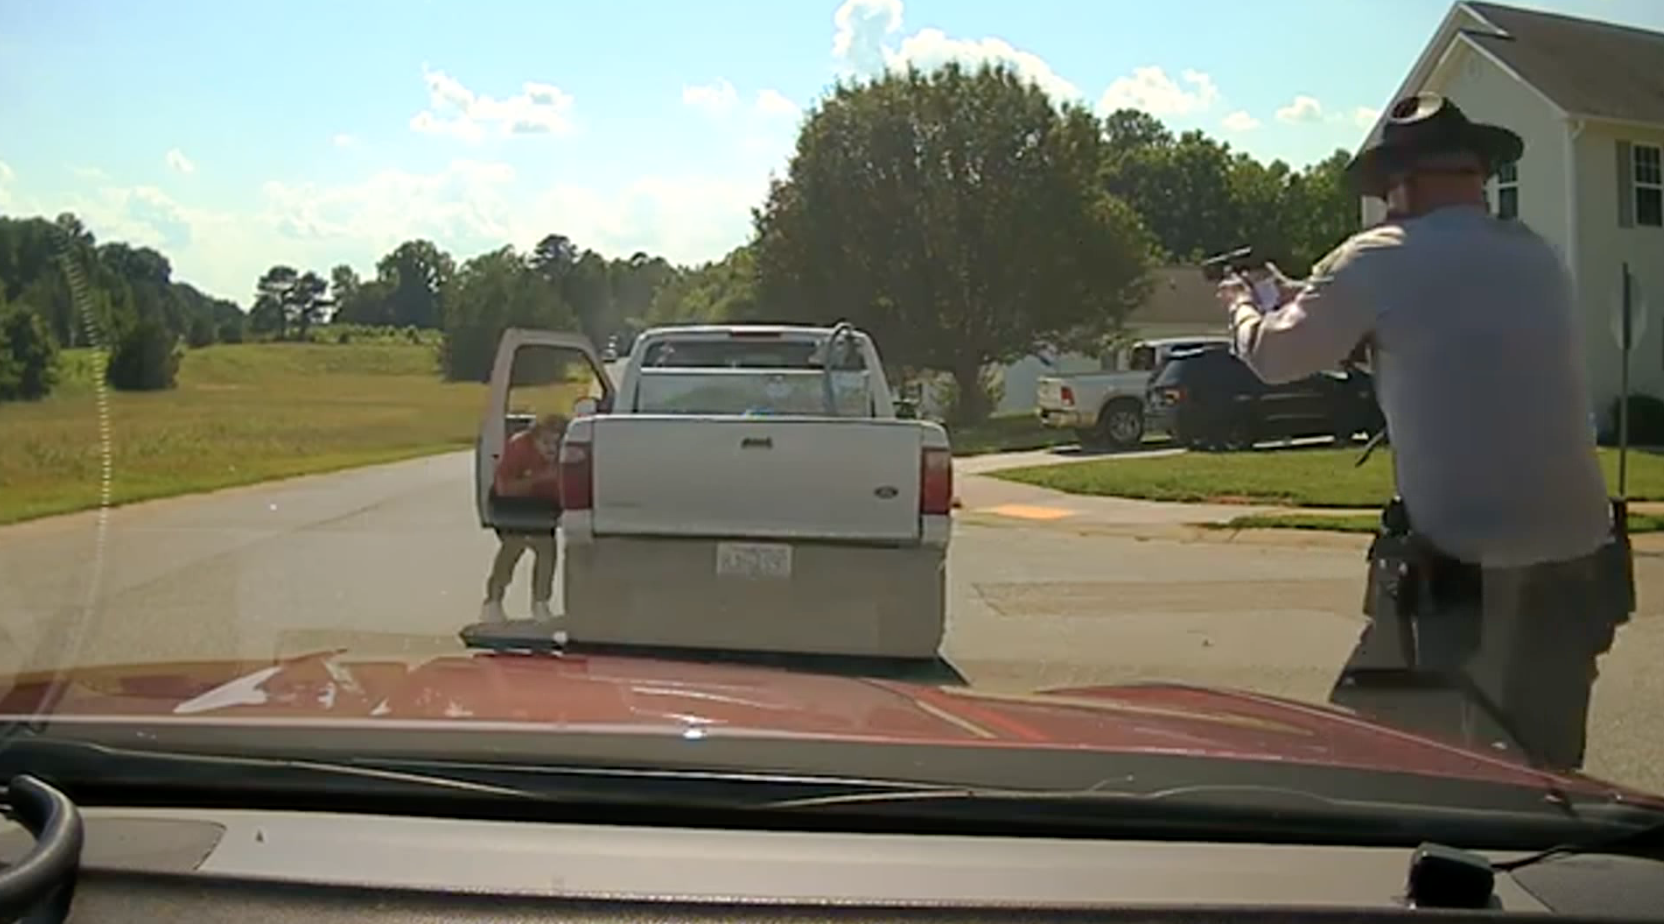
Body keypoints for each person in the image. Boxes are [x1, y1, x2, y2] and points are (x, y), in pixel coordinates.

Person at [1215, 92, 1628, 769]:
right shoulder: (1536, 255)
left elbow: (1274, 357)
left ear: (1400, 182)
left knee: (1388, 766)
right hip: (1577, 565)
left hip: (1458, 567)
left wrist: (1241, 306)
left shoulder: (1376, 258)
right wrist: (1310, 298)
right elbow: (1438, 335)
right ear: (1478, 173)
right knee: (1549, 774)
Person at [480, 413, 567, 624]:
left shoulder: (563, 455)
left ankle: (540, 603)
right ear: (534, 437)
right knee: (513, 548)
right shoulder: (519, 447)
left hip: (541, 506)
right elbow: (505, 488)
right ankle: (493, 602)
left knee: (547, 551)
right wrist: (538, 479)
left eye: (556, 442)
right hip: (510, 504)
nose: (551, 449)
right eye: (545, 442)